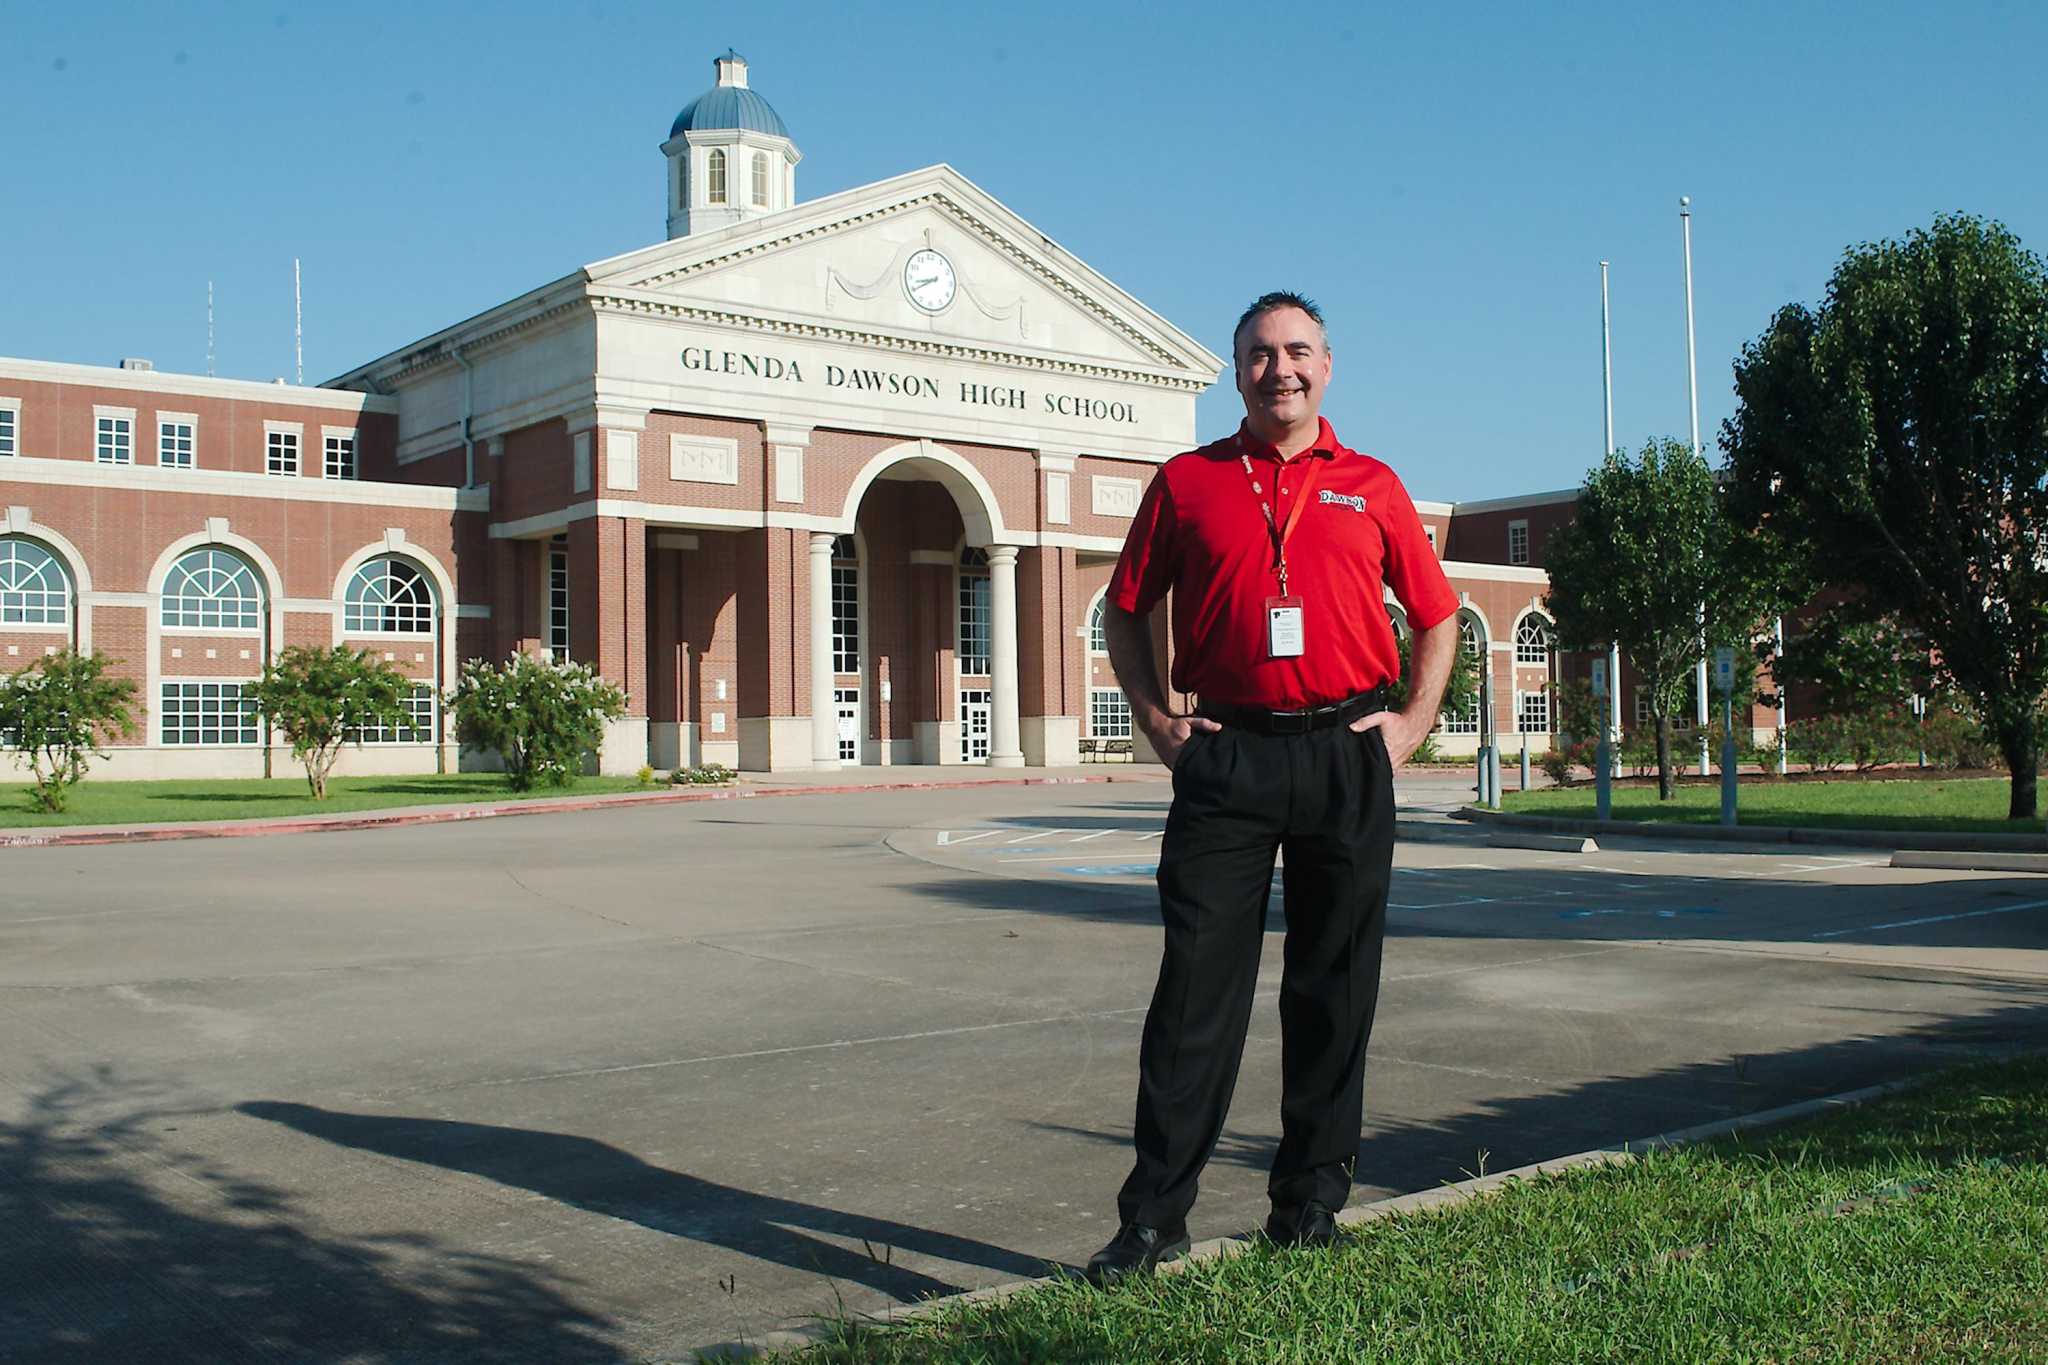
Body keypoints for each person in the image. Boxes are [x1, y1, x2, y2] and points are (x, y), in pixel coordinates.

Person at [1085, 291, 1460, 1285]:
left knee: (1332, 991)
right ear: (1235, 370)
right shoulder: (1188, 482)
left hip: (1345, 754)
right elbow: (1124, 612)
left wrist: (1409, 729)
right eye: (1257, 354)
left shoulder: (1371, 486)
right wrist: (1158, 725)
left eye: (1295, 352)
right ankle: (1153, 1221)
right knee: (1193, 996)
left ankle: (1306, 1209)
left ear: (1325, 367)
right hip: (1227, 757)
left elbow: (1436, 617)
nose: (1277, 369)